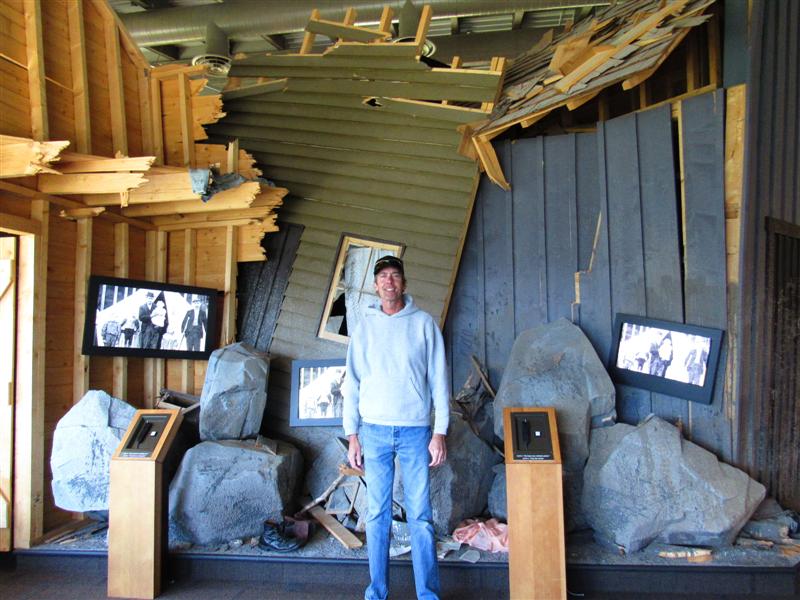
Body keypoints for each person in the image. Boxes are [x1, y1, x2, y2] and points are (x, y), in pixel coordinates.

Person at [343, 255, 449, 600]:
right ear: (376, 286)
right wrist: (352, 435)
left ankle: (428, 595)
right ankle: (377, 592)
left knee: (421, 516)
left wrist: (439, 431)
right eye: (383, 277)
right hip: (373, 431)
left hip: (415, 431)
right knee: (377, 515)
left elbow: (439, 380)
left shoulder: (423, 324)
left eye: (395, 276)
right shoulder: (365, 327)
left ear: (404, 283)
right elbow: (352, 383)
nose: (389, 282)